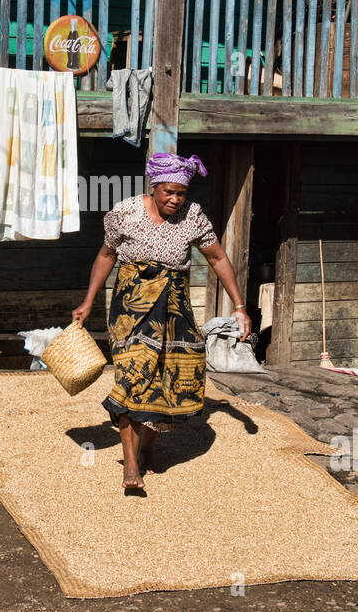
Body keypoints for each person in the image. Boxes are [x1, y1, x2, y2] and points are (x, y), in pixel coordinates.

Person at [72, 152, 250, 494]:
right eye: (168, 192)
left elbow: (217, 257)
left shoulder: (193, 216)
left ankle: (149, 447)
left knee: (168, 377)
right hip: (131, 306)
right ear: (154, 187)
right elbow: (106, 256)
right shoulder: (124, 213)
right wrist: (88, 300)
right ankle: (131, 464)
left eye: (181, 193)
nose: (175, 199)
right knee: (133, 376)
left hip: (173, 307)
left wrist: (239, 305)